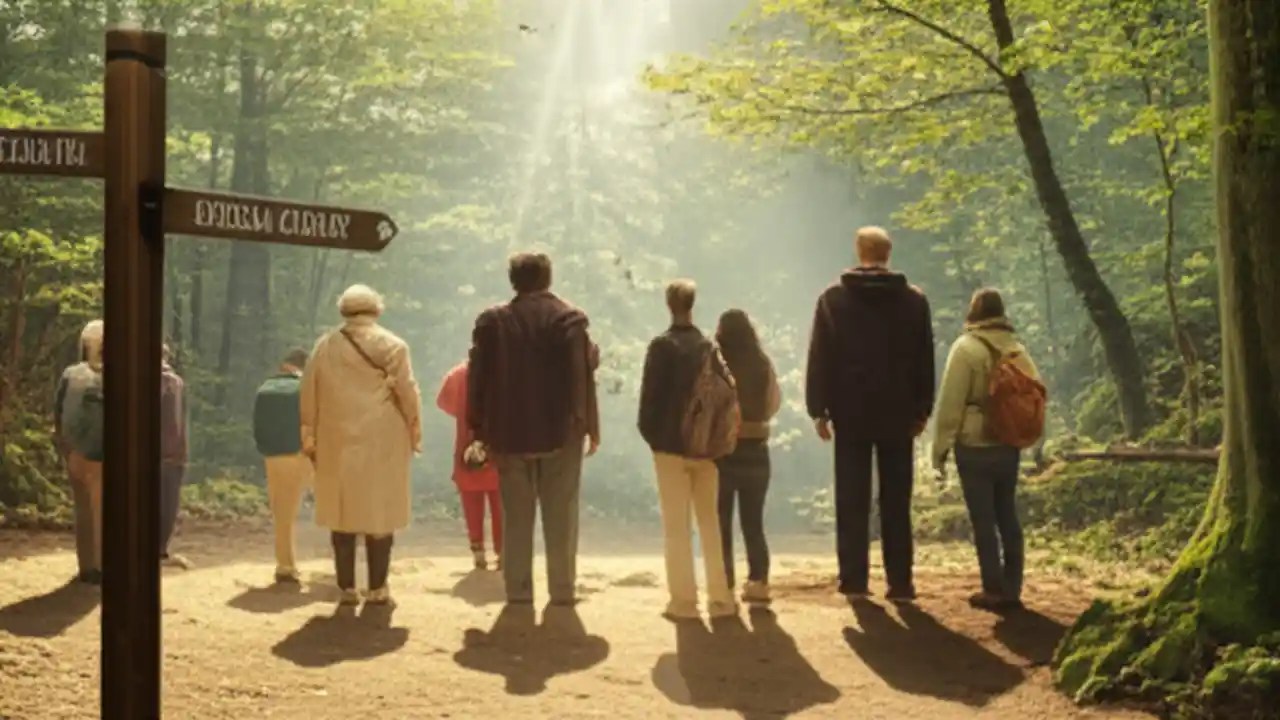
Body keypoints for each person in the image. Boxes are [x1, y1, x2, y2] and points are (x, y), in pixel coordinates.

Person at [806, 226, 935, 601]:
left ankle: (854, 579)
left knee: (851, 497)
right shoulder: (913, 301)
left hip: (850, 411)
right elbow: (924, 359)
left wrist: (818, 408)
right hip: (898, 411)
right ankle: (900, 582)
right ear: (888, 253)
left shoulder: (833, 300)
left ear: (859, 251)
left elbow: (820, 356)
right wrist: (922, 408)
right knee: (896, 500)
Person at [468, 252, 600, 607]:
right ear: (548, 278)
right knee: (562, 514)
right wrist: (588, 423)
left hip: (508, 432)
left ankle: (519, 591)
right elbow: (581, 375)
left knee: (516, 516)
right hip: (562, 431)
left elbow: (478, 379)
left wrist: (478, 429)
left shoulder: (492, 322)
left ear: (513, 280)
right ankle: (562, 590)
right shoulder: (569, 319)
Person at [301, 285, 422, 606]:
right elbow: (407, 392)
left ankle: (346, 588)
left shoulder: (324, 347)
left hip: (336, 440)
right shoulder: (394, 345)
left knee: (342, 513)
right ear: (377, 309)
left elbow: (308, 392)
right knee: (380, 512)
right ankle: (378, 588)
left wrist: (309, 434)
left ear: (344, 310)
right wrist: (414, 427)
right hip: (383, 439)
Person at [931, 288, 1041, 610]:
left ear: (974, 313)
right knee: (1008, 514)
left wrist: (940, 450)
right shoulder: (1017, 349)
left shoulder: (965, 349)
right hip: (1007, 442)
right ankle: (1013, 588)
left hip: (974, 445)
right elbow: (1034, 395)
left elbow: (950, 404)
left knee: (983, 519)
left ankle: (992, 589)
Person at [638, 280, 737, 620]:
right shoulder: (708, 347)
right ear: (693, 304)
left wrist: (654, 438)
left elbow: (649, 402)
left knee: (676, 527)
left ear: (669, 304)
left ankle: (684, 603)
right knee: (710, 523)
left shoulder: (661, 347)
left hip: (670, 449)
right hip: (706, 448)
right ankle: (721, 599)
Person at [714, 309, 782, 605]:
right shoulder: (762, 363)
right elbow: (773, 403)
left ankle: (724, 582)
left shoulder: (716, 363)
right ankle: (759, 581)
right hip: (756, 448)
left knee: (721, 521)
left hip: (722, 451)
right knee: (753, 521)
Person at [253, 347, 313, 583]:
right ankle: (344, 566)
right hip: (302, 453)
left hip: (273, 454)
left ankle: (285, 565)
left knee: (282, 513)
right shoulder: (305, 388)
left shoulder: (265, 388)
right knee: (331, 505)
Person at [436, 360, 502, 570]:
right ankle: (502, 551)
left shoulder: (458, 374)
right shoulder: (505, 371)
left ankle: (478, 549)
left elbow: (444, 403)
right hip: (499, 447)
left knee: (471, 501)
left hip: (467, 447)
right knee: (501, 503)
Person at [54, 320, 105, 585]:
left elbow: (58, 411)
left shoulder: (70, 374)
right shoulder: (108, 376)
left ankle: (88, 566)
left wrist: (64, 445)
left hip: (75, 452)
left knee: (84, 510)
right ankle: (97, 565)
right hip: (97, 454)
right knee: (99, 511)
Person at [159, 344, 191, 569]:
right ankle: (161, 547)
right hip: (173, 453)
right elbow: (182, 419)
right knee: (169, 503)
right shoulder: (176, 383)